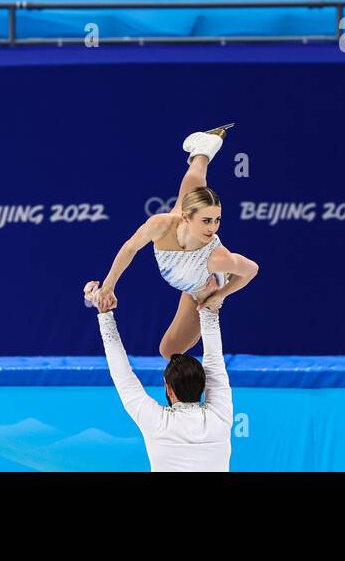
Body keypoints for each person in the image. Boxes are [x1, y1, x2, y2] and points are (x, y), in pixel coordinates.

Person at [94, 125, 258, 357]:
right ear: (185, 217)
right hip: (183, 248)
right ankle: (203, 149)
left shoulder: (217, 257)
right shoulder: (162, 224)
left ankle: (194, 387)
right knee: (192, 184)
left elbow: (252, 269)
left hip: (202, 289)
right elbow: (130, 247)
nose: (213, 228)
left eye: (217, 220)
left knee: (169, 350)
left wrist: (220, 295)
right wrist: (109, 285)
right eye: (206, 221)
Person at [86, 282, 232, 472]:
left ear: (169, 388)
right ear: (203, 387)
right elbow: (214, 361)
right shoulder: (219, 417)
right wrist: (209, 307)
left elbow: (122, 376)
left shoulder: (158, 423)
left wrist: (104, 313)